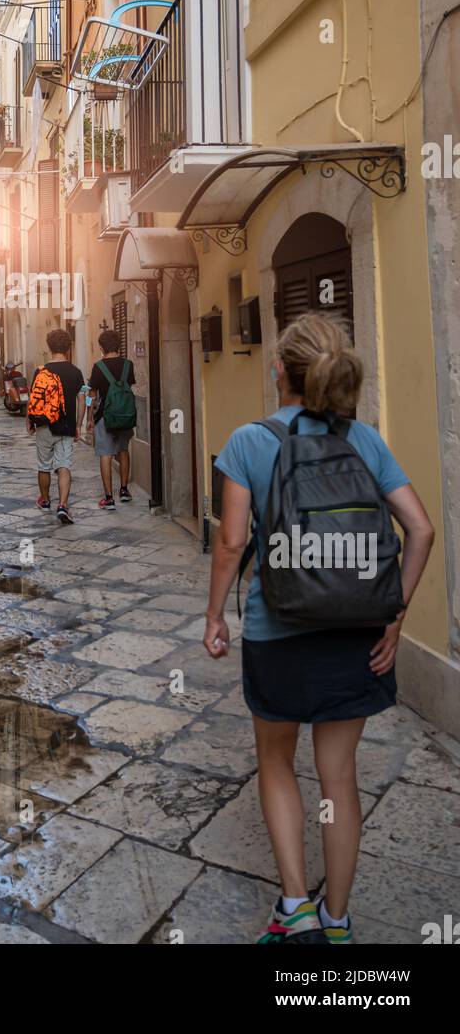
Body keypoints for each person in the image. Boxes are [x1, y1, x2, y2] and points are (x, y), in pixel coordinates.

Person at [203, 312, 434, 945]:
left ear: (281, 370)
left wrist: (215, 613)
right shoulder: (365, 440)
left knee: (276, 762)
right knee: (339, 776)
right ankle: (337, 922)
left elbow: (231, 542)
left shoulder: (249, 441)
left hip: (279, 634)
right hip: (355, 634)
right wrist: (395, 613)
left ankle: (296, 908)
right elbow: (421, 528)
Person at [26, 329, 85, 525]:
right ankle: (63, 505)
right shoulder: (76, 372)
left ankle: (44, 501)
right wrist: (78, 425)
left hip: (44, 424)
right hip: (66, 426)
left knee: (43, 465)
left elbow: (33, 398)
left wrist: (30, 420)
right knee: (64, 465)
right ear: (68, 347)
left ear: (49, 347)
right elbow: (82, 401)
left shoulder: (40, 371)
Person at [87, 330, 137, 508]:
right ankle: (124, 490)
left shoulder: (98, 367)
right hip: (124, 415)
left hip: (104, 417)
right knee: (123, 450)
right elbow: (128, 387)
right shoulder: (128, 365)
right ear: (118, 345)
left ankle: (108, 498)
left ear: (101, 348)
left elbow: (91, 395)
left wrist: (89, 416)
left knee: (105, 454)